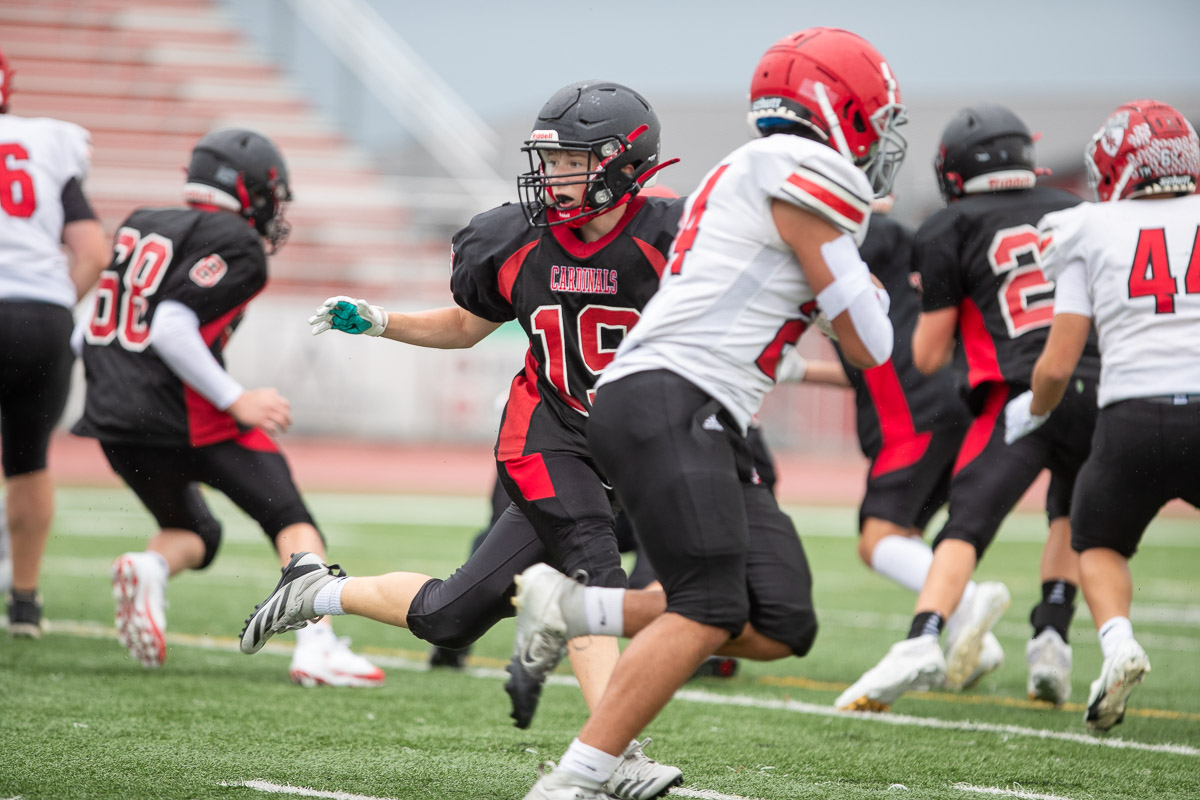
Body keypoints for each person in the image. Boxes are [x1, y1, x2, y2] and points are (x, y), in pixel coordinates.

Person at [504, 28, 902, 799]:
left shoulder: (748, 168)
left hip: (697, 407)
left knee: (782, 621)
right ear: (838, 108)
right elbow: (870, 343)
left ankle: (572, 606)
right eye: (876, 115)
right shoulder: (803, 165)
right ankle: (578, 781)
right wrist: (863, 287)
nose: (881, 136)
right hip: (674, 398)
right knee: (710, 607)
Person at [70, 128, 383, 687]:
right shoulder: (234, 242)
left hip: (115, 420)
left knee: (195, 532)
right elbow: (170, 326)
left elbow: (102, 323)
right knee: (292, 521)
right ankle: (317, 644)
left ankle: (151, 567)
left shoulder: (144, 220)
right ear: (250, 191)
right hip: (189, 417)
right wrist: (236, 398)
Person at [835, 104, 1100, 712]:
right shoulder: (1078, 212)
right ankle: (1054, 637)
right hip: (1099, 384)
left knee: (962, 528)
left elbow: (928, 355)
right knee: (1072, 514)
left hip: (1016, 395)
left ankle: (929, 632)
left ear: (955, 168)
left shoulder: (947, 225)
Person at [1004, 99, 1200, 731]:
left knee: (1095, 541)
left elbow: (1058, 364)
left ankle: (1118, 644)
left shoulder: (1087, 227)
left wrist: (1032, 411)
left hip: (1129, 418)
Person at [793, 198, 1007, 688]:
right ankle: (975, 639)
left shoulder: (854, 239)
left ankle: (969, 598)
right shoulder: (905, 253)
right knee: (906, 533)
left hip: (910, 413)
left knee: (878, 538)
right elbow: (865, 368)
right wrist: (800, 371)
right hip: (950, 401)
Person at [0, 45, 110, 637]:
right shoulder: (47, 142)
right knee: (28, 461)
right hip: (42, 316)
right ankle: (23, 604)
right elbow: (93, 253)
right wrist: (43, 308)